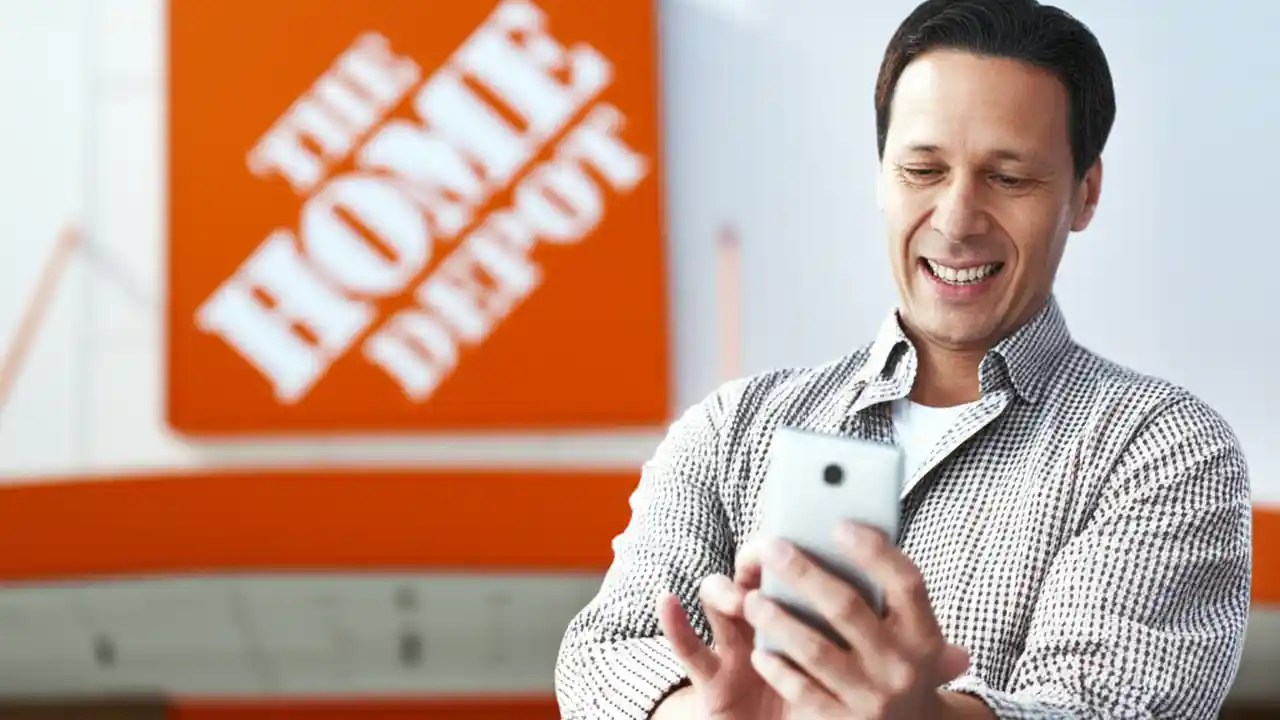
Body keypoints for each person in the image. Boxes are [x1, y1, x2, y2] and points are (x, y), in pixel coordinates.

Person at [554, 0, 1253, 717]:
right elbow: (606, 652)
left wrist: (928, 715)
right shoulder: (734, 428)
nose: (955, 220)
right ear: (881, 175)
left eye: (1009, 179)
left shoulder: (1162, 449)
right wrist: (714, 714)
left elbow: (1105, 704)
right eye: (922, 169)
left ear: (1085, 192)